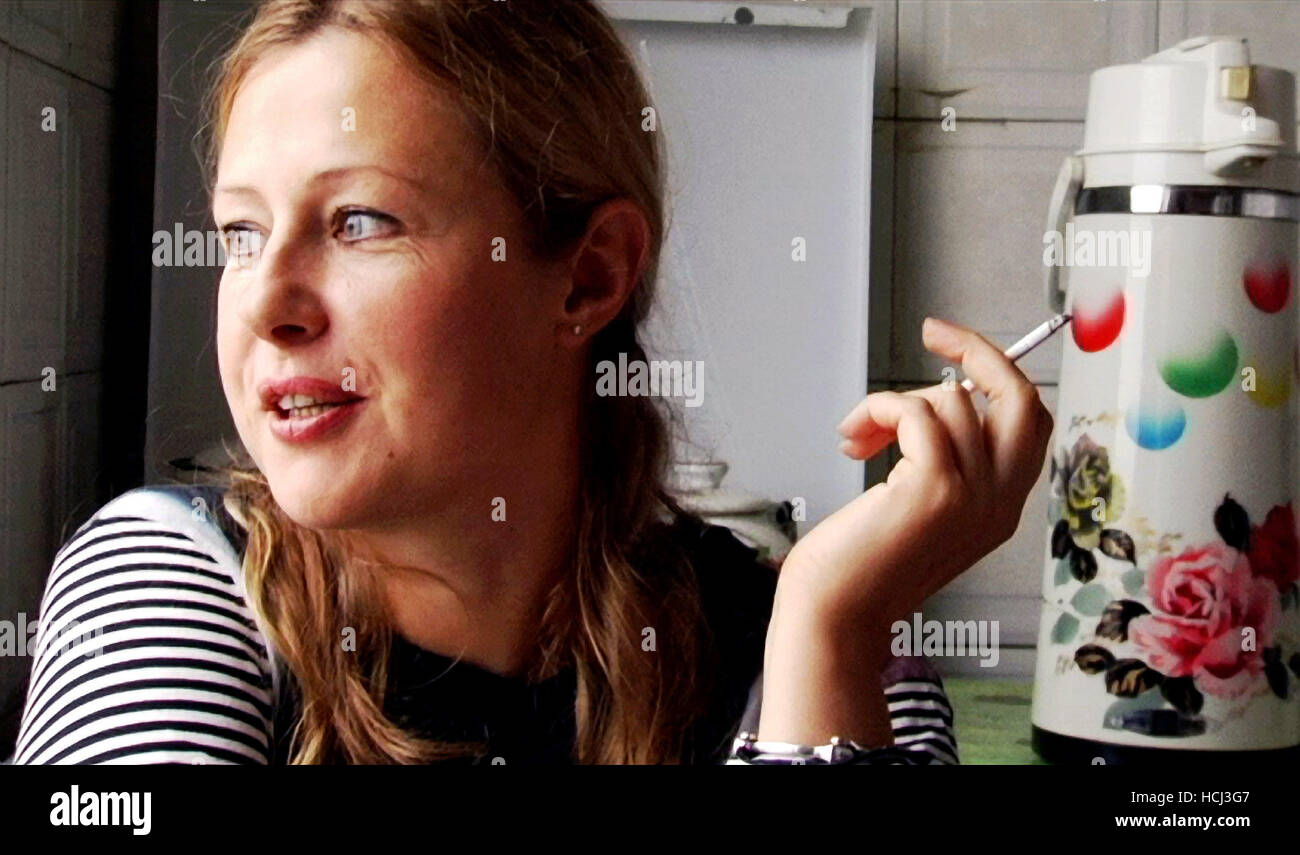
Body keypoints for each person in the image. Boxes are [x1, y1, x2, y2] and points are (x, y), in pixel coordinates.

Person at [11, 0, 1051, 765]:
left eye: (359, 221)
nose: (264, 301)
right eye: (242, 232)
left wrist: (831, 630)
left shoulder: (827, 626)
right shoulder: (168, 580)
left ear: (588, 277)